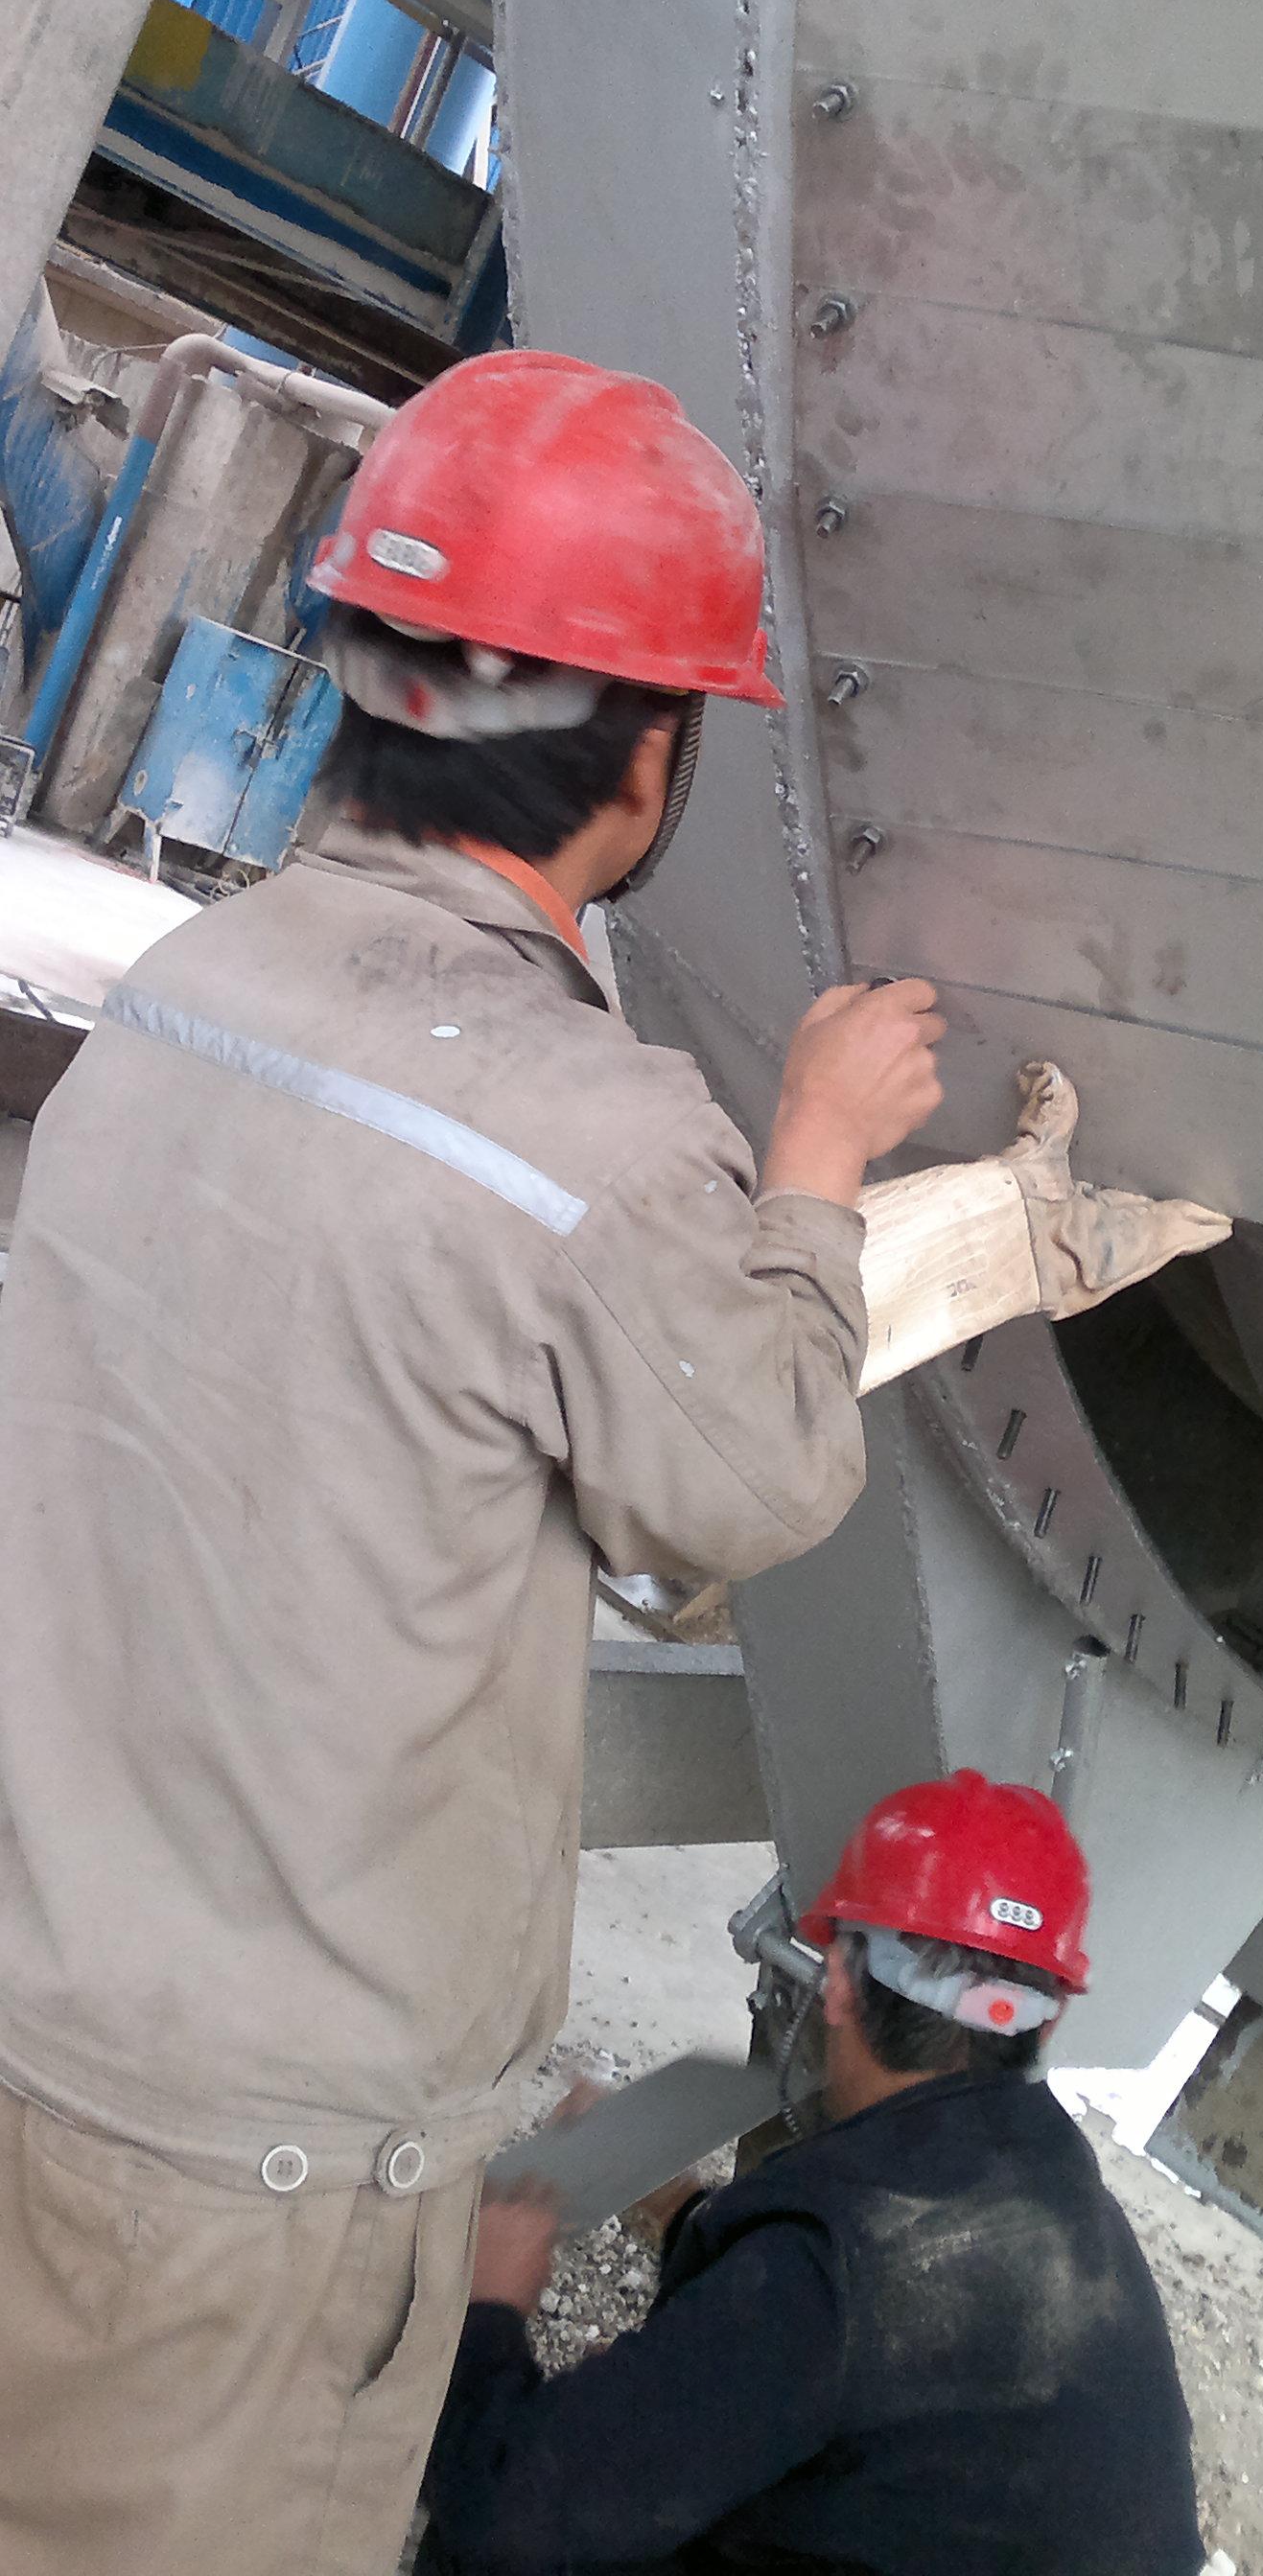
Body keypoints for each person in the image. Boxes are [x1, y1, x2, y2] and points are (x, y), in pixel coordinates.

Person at [0, 350, 946, 2576]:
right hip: (244, 2171)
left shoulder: (191, 982)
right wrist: (811, 1172)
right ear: (648, 753)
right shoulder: (595, 1142)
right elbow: (749, 1481)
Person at [419, 1771, 1207, 2576]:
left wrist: (489, 2308)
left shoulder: (831, 2267)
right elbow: (867, 2343)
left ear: (836, 1982)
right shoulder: (1067, 2195)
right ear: (1051, 2016)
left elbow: (505, 2520)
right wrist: (678, 2207)